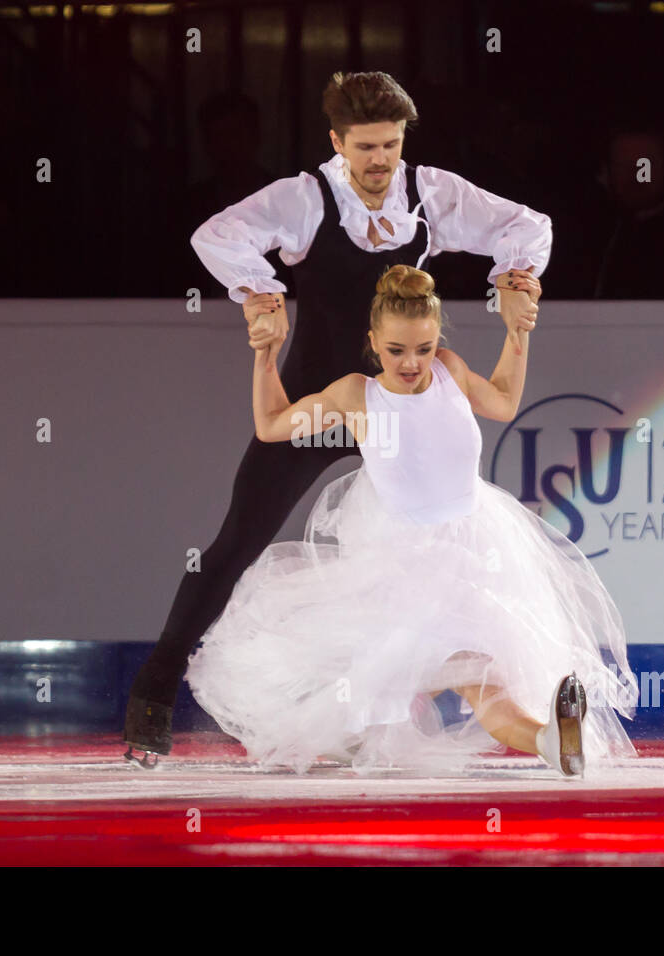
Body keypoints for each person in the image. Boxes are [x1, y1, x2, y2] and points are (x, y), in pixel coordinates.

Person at [123, 71, 552, 765]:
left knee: (428, 550)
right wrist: (259, 292)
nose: (380, 161)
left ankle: (399, 712)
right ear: (337, 143)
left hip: (402, 402)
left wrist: (514, 278)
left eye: (390, 145)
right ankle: (155, 689)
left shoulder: (431, 195)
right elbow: (217, 234)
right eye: (365, 148)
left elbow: (525, 226)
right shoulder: (304, 200)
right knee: (238, 539)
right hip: (328, 401)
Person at [182, 264, 638, 777]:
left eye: (422, 348)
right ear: (373, 341)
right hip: (396, 565)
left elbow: (505, 401)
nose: (412, 363)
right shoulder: (357, 394)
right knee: (365, 716)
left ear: (436, 339)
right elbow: (270, 426)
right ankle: (355, 735)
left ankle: (549, 740)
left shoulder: (450, 370)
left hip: (476, 551)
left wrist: (518, 333)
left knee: (481, 675)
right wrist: (265, 354)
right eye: (397, 350)